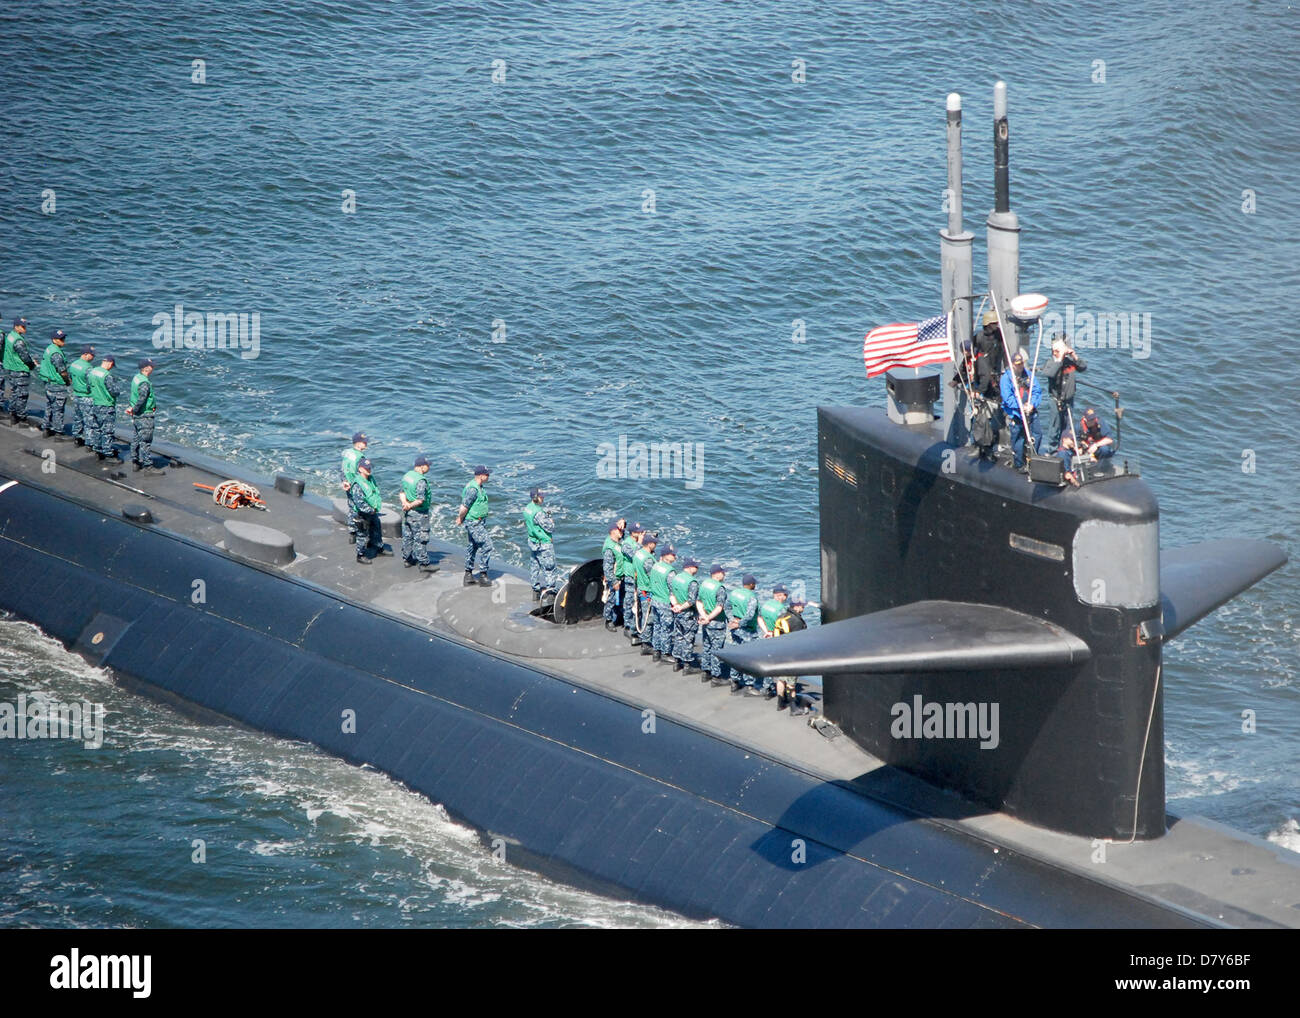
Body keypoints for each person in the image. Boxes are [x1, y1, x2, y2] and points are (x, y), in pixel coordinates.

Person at [1041, 335, 1086, 452]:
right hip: (1056, 401)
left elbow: (1083, 367)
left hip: (1069, 400)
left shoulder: (1069, 362)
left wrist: (1074, 356)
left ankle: (1064, 448)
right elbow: (1050, 374)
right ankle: (1052, 450)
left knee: (1067, 426)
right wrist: (1059, 359)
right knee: (1054, 426)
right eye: (1056, 351)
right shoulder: (1051, 363)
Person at [1000, 349, 1042, 470]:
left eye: (1021, 364)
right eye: (1018, 364)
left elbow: (1037, 391)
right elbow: (1008, 398)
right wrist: (1021, 406)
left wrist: (1032, 404)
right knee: (1018, 438)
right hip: (1016, 413)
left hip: (1030, 411)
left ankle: (1033, 457)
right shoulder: (1006, 378)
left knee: (1037, 434)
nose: (1020, 366)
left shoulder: (1028, 375)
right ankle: (1019, 463)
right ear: (1012, 364)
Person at [455, 465, 493, 587]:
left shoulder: (479, 487)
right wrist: (460, 518)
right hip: (474, 522)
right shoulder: (473, 489)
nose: (488, 476)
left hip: (478, 521)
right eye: (487, 474)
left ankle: (468, 574)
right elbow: (464, 506)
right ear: (481, 475)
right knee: (487, 545)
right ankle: (483, 575)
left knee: (473, 546)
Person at [523, 487, 561, 602]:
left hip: (533, 542)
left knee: (535, 566)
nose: (543, 497)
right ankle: (551, 594)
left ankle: (535, 591)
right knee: (550, 568)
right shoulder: (538, 512)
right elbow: (550, 528)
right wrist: (551, 520)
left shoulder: (527, 508)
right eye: (541, 496)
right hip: (543, 544)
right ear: (536, 498)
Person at [124, 358, 161, 473]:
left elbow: (134, 396)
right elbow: (142, 399)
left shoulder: (136, 378)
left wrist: (132, 408)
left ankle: (135, 461)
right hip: (144, 415)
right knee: (145, 441)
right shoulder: (144, 382)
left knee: (136, 438)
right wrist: (135, 410)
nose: (153, 368)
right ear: (147, 368)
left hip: (137, 415)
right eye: (151, 366)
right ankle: (148, 465)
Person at [399, 454, 435, 570]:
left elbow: (401, 492)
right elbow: (420, 500)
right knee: (421, 537)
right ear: (421, 467)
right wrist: (409, 505)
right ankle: (424, 563)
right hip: (418, 513)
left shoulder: (407, 475)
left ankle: (407, 559)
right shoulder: (421, 481)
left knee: (408, 536)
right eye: (427, 466)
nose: (429, 468)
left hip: (408, 513)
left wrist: (405, 503)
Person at [696, 565, 731, 686]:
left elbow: (699, 602)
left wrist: (704, 616)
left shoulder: (705, 584)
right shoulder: (720, 588)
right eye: (722, 573)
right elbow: (719, 607)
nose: (724, 575)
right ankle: (716, 677)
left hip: (706, 621)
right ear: (716, 574)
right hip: (717, 623)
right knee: (717, 650)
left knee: (707, 646)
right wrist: (709, 617)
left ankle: (706, 672)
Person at [725, 574, 760, 693]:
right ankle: (749, 685)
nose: (755, 585)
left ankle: (734, 681)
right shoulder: (752, 597)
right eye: (754, 583)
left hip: (735, 628)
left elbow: (727, 607)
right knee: (749, 657)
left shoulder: (734, 593)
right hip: (747, 630)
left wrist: (732, 620)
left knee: (736, 655)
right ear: (751, 584)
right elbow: (750, 615)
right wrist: (739, 624)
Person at [646, 545, 680, 664]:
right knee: (666, 629)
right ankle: (665, 653)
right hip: (665, 603)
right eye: (673, 554)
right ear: (667, 556)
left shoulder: (655, 566)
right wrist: (677, 605)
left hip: (655, 600)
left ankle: (656, 651)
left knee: (657, 626)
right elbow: (673, 590)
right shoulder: (670, 572)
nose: (675, 556)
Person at [86, 354, 123, 461]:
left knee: (97, 428)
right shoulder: (107, 376)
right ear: (110, 363)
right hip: (106, 405)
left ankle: (97, 449)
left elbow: (88, 387)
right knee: (107, 430)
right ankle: (107, 453)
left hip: (95, 403)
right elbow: (115, 391)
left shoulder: (92, 371)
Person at [37, 329, 71, 438]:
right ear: (54, 340)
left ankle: (46, 428)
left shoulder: (49, 349)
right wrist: (68, 381)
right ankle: (58, 432)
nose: (63, 340)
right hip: (57, 384)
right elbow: (63, 371)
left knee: (49, 406)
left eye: (63, 338)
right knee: (58, 409)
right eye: (61, 339)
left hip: (48, 383)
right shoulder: (57, 354)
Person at [349, 458, 385, 563]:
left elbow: (374, 493)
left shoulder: (371, 479)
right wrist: (370, 510)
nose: (369, 469)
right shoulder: (357, 484)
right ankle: (360, 555)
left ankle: (378, 547)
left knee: (376, 529)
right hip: (363, 513)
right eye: (366, 468)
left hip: (373, 511)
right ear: (360, 469)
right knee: (362, 534)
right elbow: (359, 502)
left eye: (369, 467)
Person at [669, 558, 702, 673]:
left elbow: (671, 594)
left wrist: (676, 606)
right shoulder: (692, 582)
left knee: (678, 636)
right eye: (695, 566)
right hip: (689, 614)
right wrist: (682, 607)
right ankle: (687, 665)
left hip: (678, 613)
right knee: (688, 638)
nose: (697, 568)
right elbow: (691, 601)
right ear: (689, 567)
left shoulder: (676, 577)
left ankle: (677, 662)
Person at [3, 318, 37, 426]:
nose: (25, 328)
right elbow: (25, 357)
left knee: (14, 392)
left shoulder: (10, 336)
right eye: (22, 326)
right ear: (16, 326)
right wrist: (32, 364)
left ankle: (12, 413)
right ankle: (21, 416)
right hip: (19, 370)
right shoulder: (18, 341)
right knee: (22, 394)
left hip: (11, 368)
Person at [340, 433, 368, 543]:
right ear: (358, 443)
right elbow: (362, 474)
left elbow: (343, 469)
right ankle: (361, 532)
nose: (366, 444)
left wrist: (344, 481)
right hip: (357, 486)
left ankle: (352, 532)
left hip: (348, 484)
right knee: (360, 509)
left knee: (352, 507)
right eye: (364, 442)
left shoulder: (348, 453)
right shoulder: (360, 457)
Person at [631, 533, 658, 649]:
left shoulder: (638, 554)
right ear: (649, 544)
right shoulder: (648, 559)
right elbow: (653, 576)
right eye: (655, 543)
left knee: (638, 612)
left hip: (640, 588)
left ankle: (636, 634)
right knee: (649, 616)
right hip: (647, 590)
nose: (656, 545)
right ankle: (646, 643)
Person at [620, 522, 645, 641]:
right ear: (633, 533)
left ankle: (637, 625)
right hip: (630, 577)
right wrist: (640, 543)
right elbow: (636, 556)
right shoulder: (626, 544)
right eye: (638, 531)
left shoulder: (637, 543)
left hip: (639, 577)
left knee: (638, 602)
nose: (641, 533)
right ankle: (628, 625)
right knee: (629, 601)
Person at [67, 345, 96, 446]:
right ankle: (90, 443)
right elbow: (91, 383)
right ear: (86, 354)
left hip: (76, 394)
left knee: (78, 417)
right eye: (92, 355)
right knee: (89, 421)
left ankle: (77, 437)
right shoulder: (88, 368)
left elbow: (69, 378)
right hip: (86, 396)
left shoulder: (73, 364)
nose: (93, 357)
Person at [601, 520, 627, 631]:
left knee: (621, 598)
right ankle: (608, 620)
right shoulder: (609, 547)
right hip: (614, 577)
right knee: (611, 599)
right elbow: (607, 568)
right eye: (619, 530)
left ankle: (620, 616)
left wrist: (623, 522)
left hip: (622, 575)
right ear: (612, 531)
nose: (621, 532)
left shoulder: (619, 542)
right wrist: (613, 581)